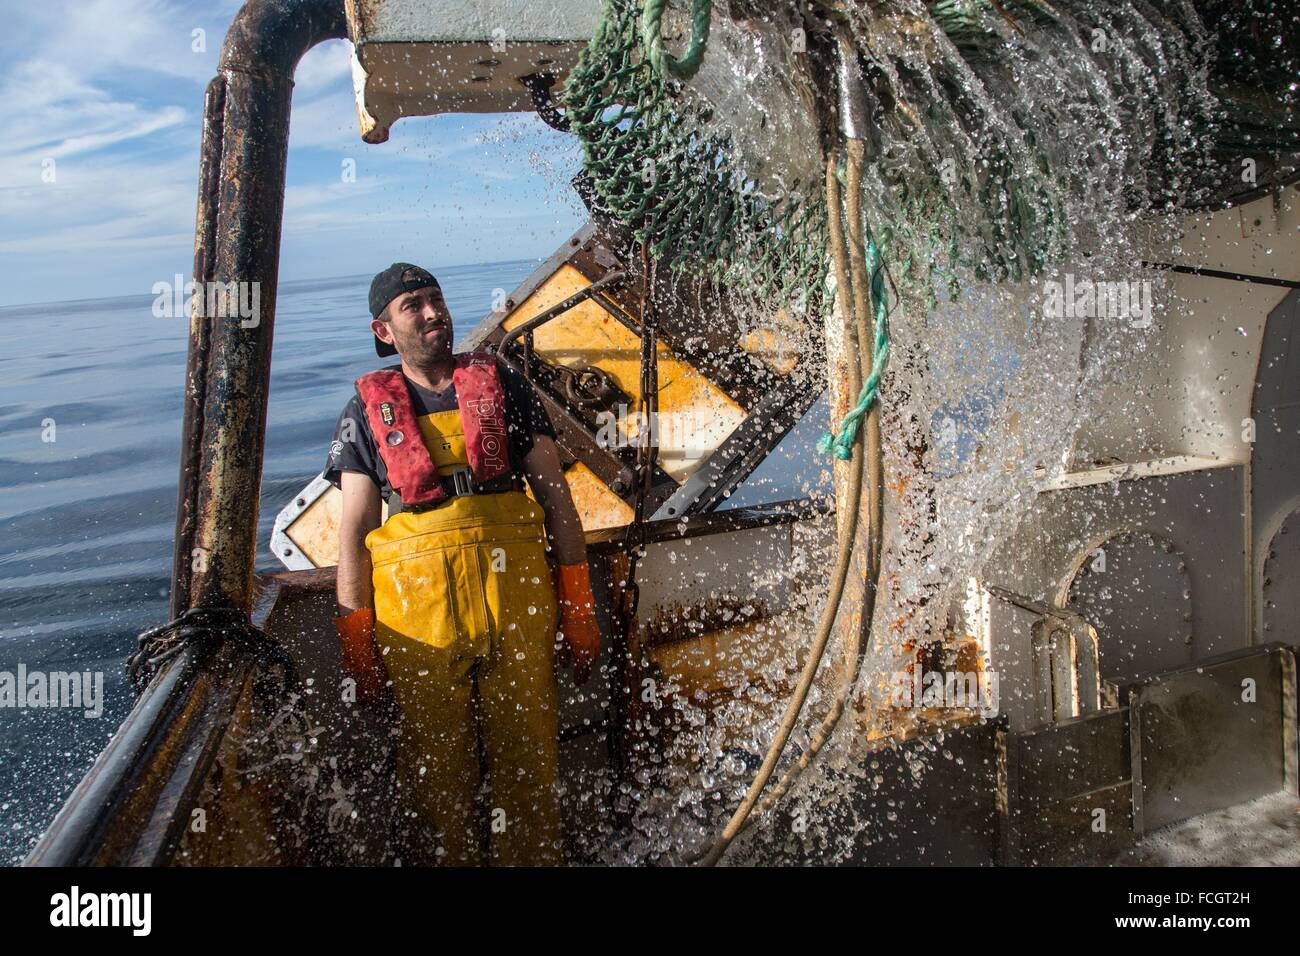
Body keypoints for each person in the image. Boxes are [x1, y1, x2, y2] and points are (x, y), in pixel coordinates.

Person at [324, 262, 601, 865]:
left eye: (436, 300)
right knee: (434, 778)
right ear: (383, 329)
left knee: (529, 764)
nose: (432, 314)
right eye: (413, 307)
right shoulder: (365, 414)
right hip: (419, 627)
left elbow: (557, 500)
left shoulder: (503, 387)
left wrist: (579, 609)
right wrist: (357, 643)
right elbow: (352, 537)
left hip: (518, 613)